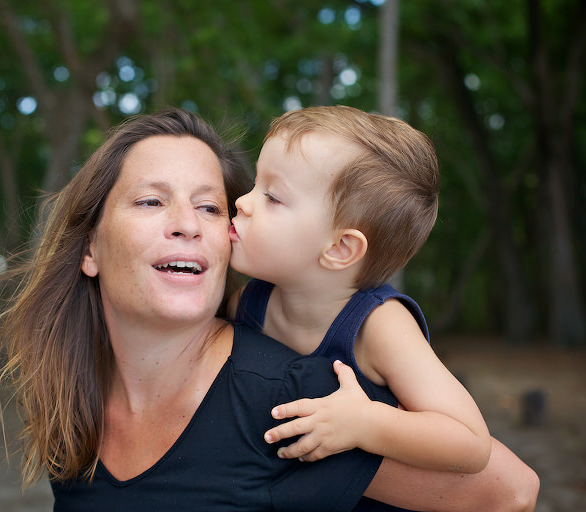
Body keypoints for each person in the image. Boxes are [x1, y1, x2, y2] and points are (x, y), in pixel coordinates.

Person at [0, 108, 538, 511]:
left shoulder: (309, 385)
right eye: (152, 201)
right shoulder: (74, 399)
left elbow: (501, 480)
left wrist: (367, 421)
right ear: (89, 248)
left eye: (209, 206)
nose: (198, 221)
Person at [227, 105, 539, 510]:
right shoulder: (249, 302)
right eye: (255, 186)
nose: (243, 202)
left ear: (340, 248)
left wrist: (365, 423)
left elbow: (470, 441)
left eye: (272, 196)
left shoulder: (378, 326)